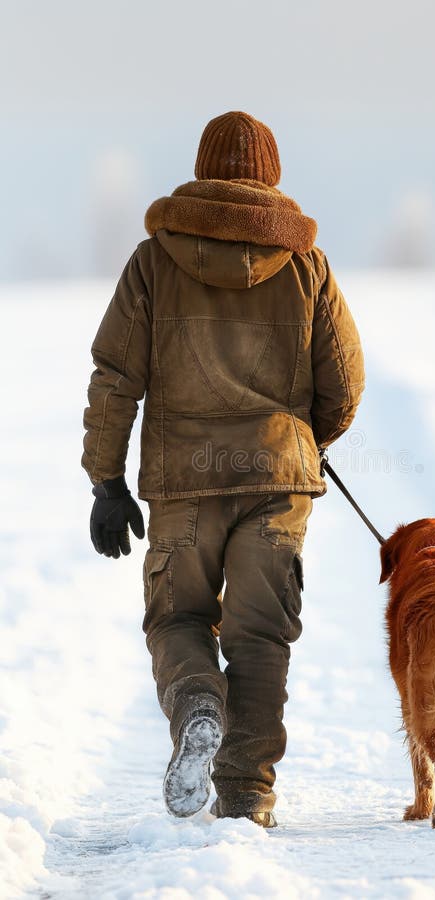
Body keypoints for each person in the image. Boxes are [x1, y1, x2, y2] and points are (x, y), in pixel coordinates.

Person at [82, 111, 365, 828]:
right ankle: (246, 794)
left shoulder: (155, 260)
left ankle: (197, 703)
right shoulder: (307, 266)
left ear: (204, 168)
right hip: (276, 482)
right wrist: (305, 441)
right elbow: (345, 382)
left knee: (177, 617)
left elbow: (116, 375)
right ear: (271, 174)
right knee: (260, 634)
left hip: (184, 481)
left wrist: (106, 480)